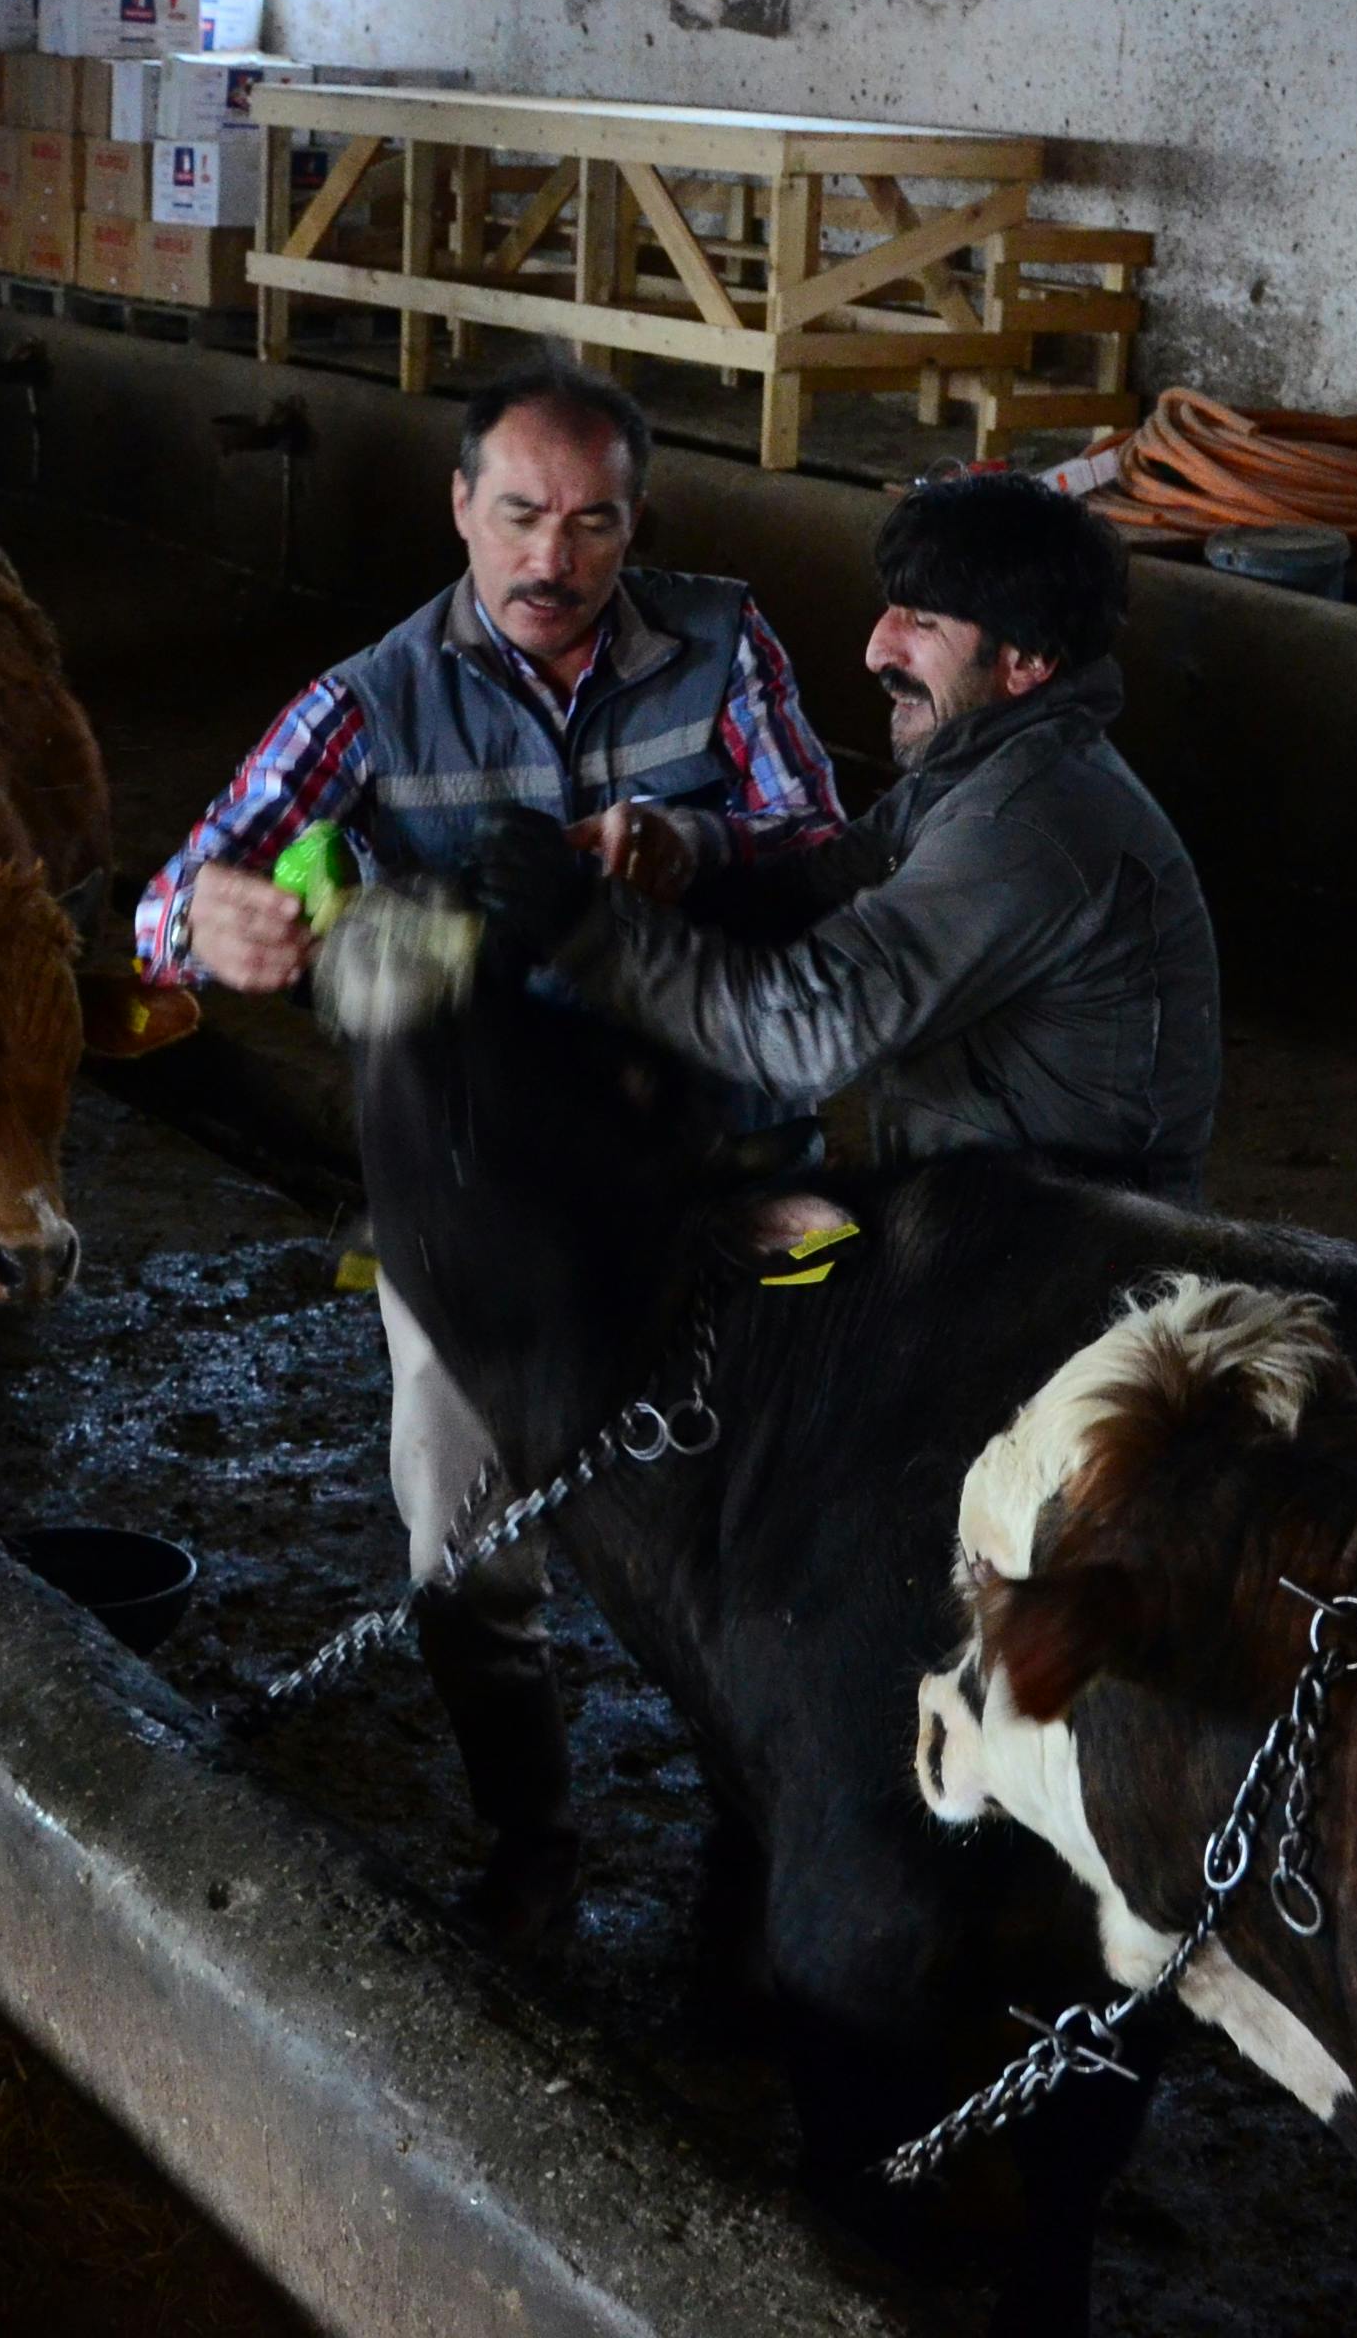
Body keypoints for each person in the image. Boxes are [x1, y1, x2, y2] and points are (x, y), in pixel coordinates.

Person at [138, 360, 840, 1947]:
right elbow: (172, 895)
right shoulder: (368, 698)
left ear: (637, 524)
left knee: (756, 1534)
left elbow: (824, 847)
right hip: (483, 1201)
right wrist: (205, 922)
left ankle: (749, 1864)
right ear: (459, 506)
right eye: (519, 515)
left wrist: (696, 842)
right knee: (458, 1533)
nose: (551, 559)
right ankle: (532, 1843)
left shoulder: (725, 645)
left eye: (592, 525)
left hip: (712, 1172)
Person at [490, 470, 1220, 1202]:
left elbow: (810, 1030)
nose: (876, 650)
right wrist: (685, 858)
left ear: (1026, 662)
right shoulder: (981, 770)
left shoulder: (1023, 826)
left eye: (923, 623)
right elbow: (822, 884)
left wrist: (588, 927)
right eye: (892, 610)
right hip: (987, 1209)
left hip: (1072, 1253)